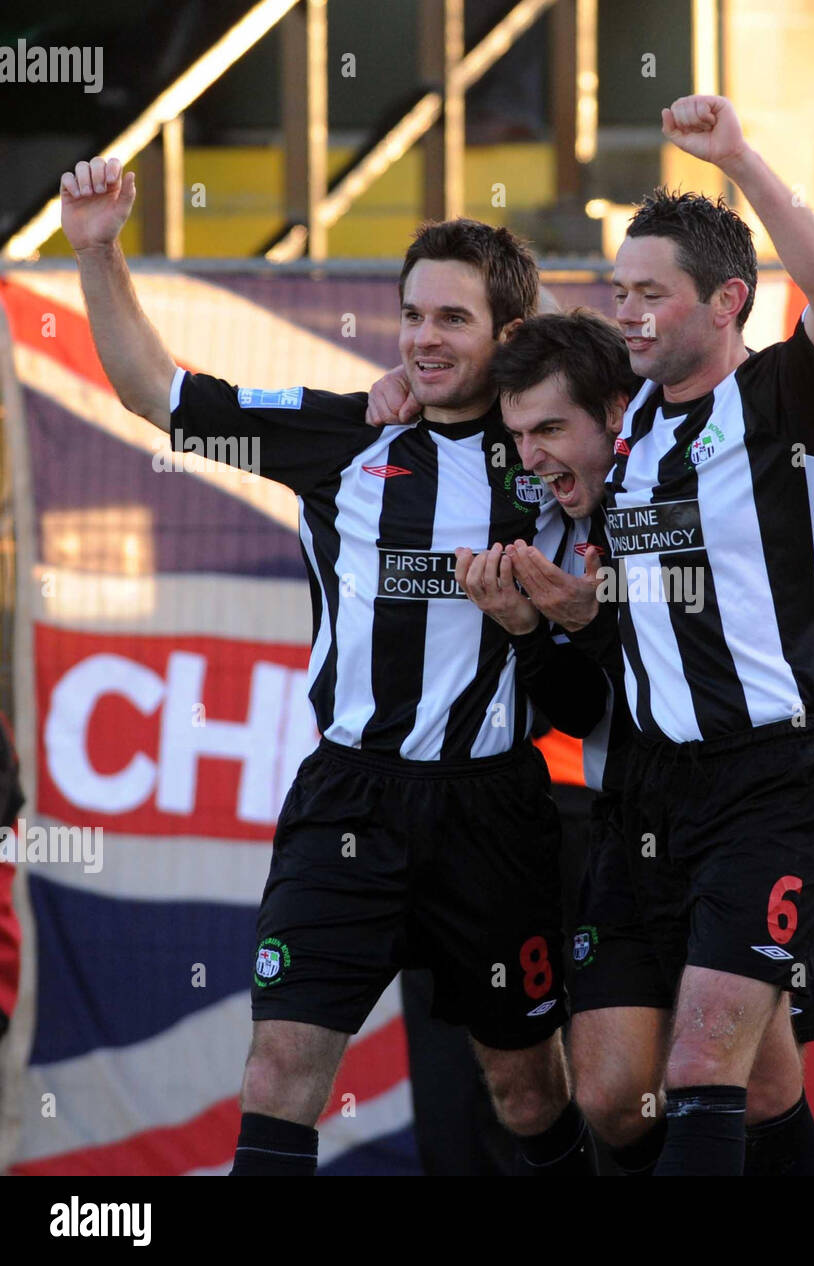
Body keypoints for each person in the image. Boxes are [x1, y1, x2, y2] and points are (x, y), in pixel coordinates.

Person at [60, 156, 596, 1176]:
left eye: (452, 319)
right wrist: (97, 249)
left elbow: (627, 374)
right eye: (411, 317)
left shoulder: (554, 454)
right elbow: (153, 394)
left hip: (495, 813)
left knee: (527, 1089)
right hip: (349, 801)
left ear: (511, 337)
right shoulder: (340, 434)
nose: (422, 340)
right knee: (278, 1076)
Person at [496, 97, 814, 1176]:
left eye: (651, 294)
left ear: (727, 301)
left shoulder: (782, 404)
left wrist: (741, 157)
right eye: (620, 294)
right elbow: (528, 394)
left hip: (772, 781)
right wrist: (568, 615)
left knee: (710, 1063)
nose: (629, 315)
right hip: (645, 793)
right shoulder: (632, 422)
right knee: (621, 1096)